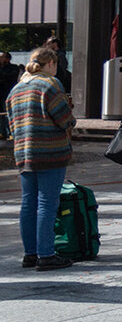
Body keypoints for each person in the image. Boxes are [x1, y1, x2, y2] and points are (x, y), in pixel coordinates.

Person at [7, 48, 76, 270]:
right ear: (50, 64)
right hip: (51, 152)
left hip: (24, 153)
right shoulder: (50, 85)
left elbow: (11, 125)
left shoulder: (15, 91)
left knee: (28, 203)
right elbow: (66, 119)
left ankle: (30, 253)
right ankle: (46, 254)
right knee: (47, 203)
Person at [0, 51, 22, 139]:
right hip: (0, 94)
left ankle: (11, 132)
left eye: (2, 57)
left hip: (8, 94)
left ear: (7, 59)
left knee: (8, 113)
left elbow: (10, 78)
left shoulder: (13, 68)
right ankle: (1, 132)